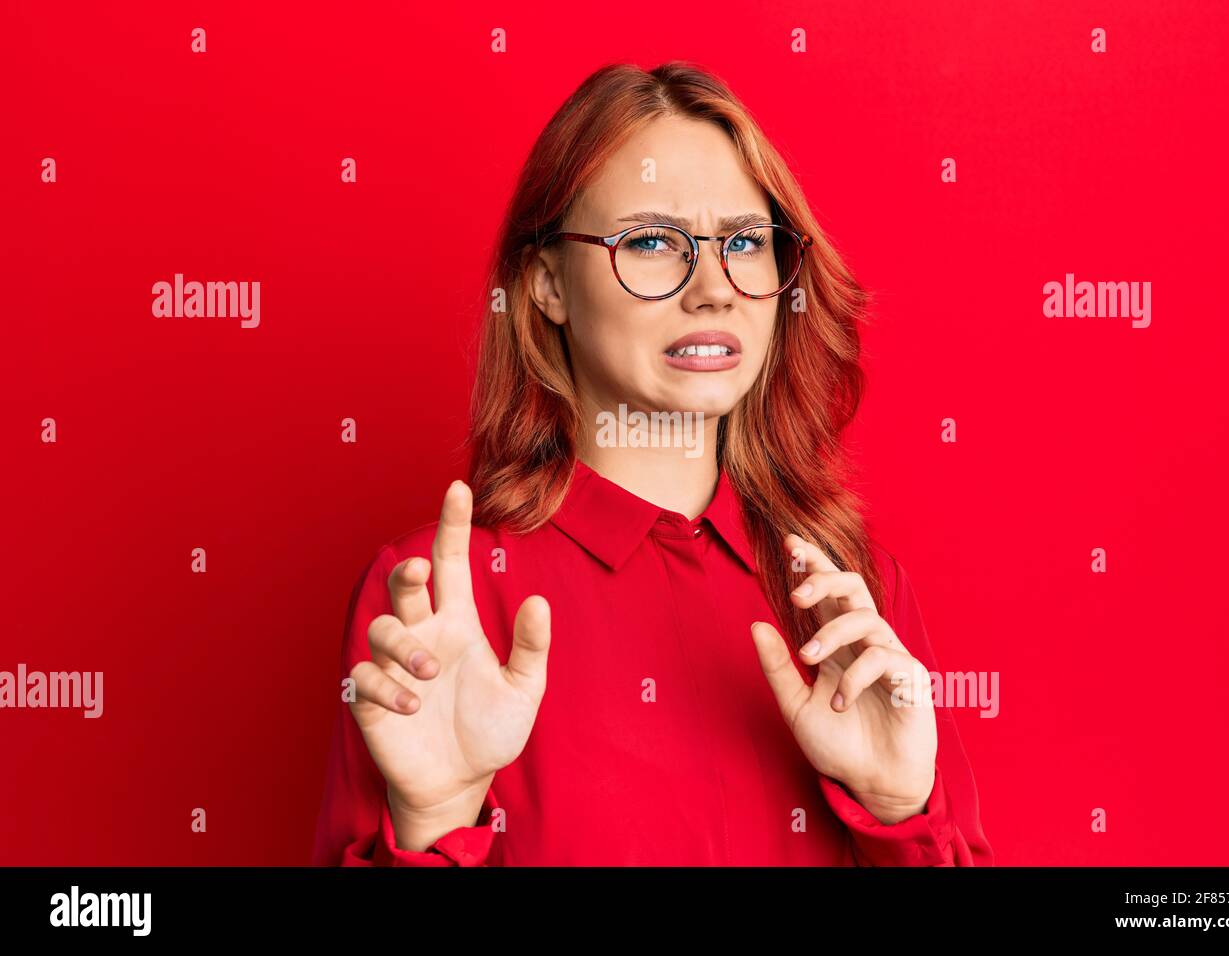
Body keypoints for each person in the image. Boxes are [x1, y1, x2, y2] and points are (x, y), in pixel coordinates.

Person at [312, 60, 993, 866]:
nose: (714, 289)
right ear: (546, 285)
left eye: (744, 240)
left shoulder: (855, 600)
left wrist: (899, 816)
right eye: (651, 242)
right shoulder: (436, 596)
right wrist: (431, 822)